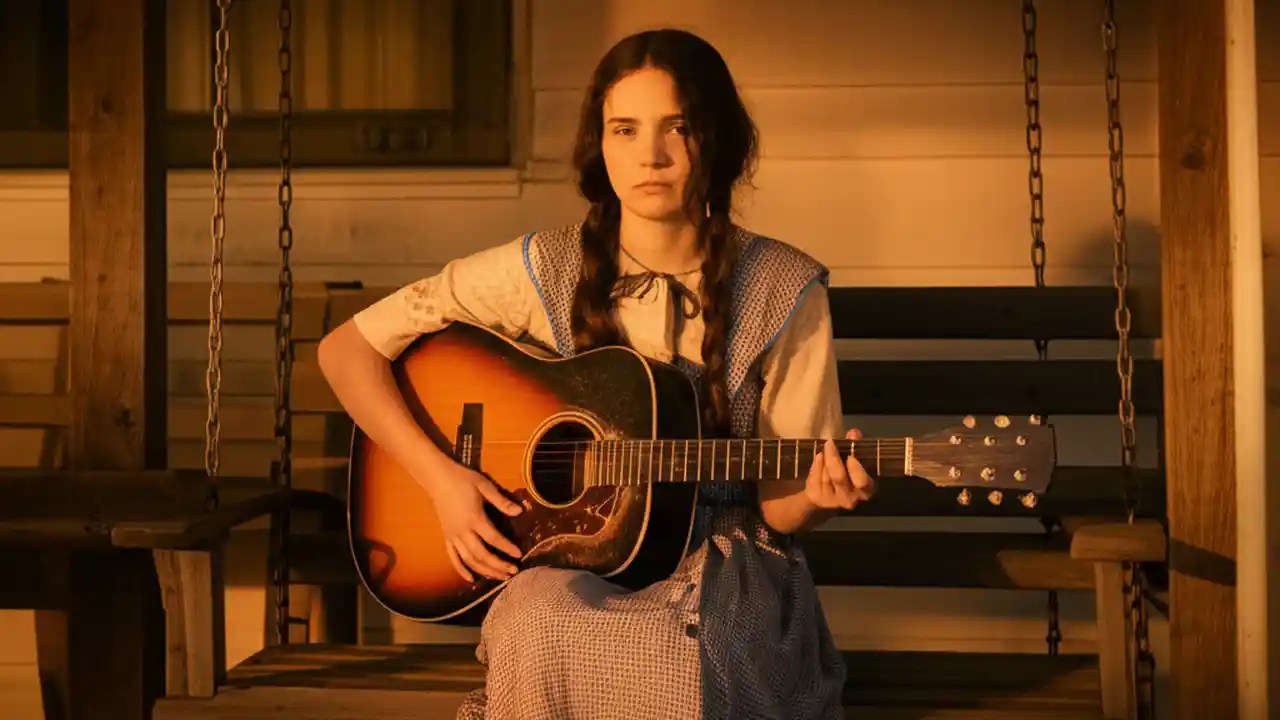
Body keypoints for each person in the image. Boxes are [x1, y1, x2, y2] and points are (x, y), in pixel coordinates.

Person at [317, 27, 876, 720]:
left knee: (681, 655)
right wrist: (443, 480)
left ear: (718, 139)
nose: (650, 154)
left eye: (678, 125)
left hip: (722, 565)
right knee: (536, 618)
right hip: (575, 555)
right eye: (624, 129)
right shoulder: (542, 268)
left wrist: (822, 494)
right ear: (599, 144)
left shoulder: (784, 287)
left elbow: (782, 504)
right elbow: (346, 352)